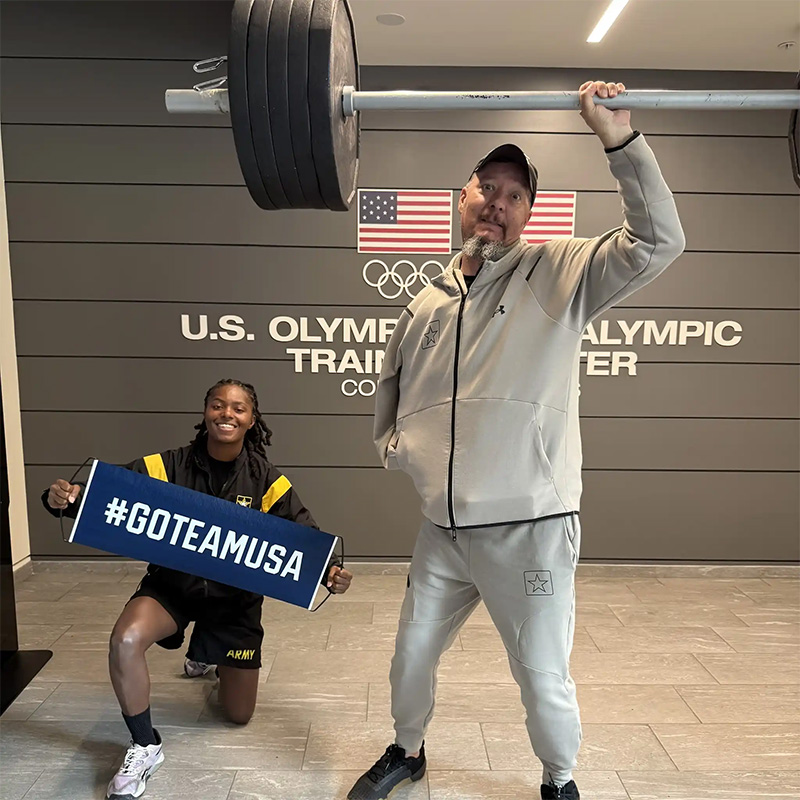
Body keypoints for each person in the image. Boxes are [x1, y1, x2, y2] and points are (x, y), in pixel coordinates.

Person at [347, 81, 686, 800]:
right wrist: (401, 452)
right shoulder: (426, 301)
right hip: (442, 531)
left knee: (541, 676)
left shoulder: (556, 275)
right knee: (409, 658)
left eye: (513, 196)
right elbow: (391, 392)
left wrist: (620, 142)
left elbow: (659, 242)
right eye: (486, 188)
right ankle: (407, 751)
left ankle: (559, 780)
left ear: (529, 213)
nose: (496, 204)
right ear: (461, 198)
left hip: (530, 530)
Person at [43, 378, 353, 800]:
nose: (227, 413)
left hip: (234, 604)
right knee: (125, 639)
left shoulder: (268, 481)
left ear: (252, 420)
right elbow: (104, 493)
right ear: (205, 412)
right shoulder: (165, 465)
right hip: (174, 587)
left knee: (238, 715)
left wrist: (329, 571)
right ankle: (144, 744)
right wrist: (62, 498)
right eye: (218, 405)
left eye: (239, 408)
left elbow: (304, 539)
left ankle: (206, 654)